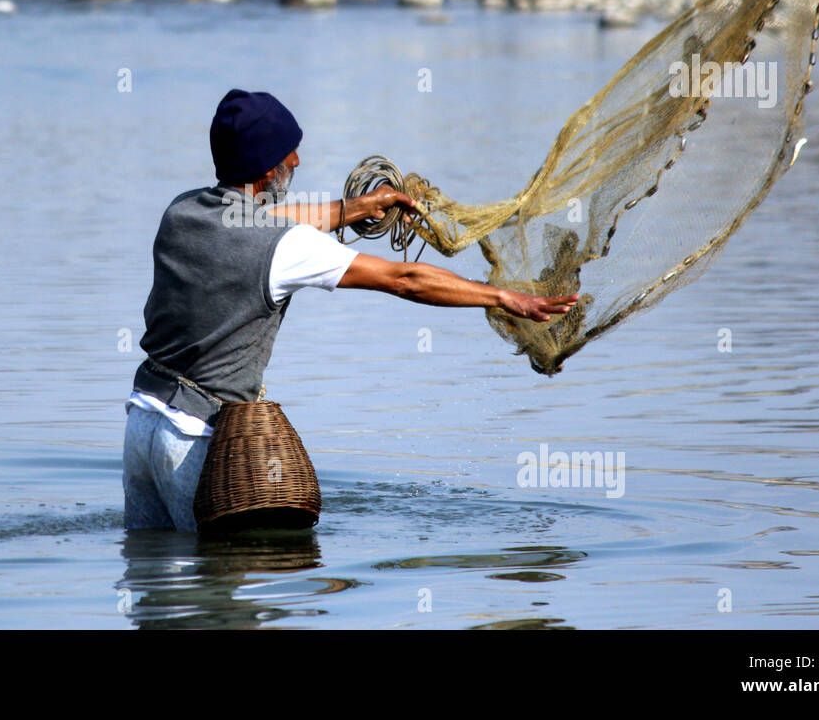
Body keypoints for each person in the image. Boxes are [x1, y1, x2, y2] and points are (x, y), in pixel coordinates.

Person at [123, 89, 578, 530]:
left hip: (142, 422)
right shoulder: (285, 248)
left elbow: (267, 220)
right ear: (267, 171)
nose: (297, 162)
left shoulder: (182, 211)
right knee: (218, 596)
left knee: (153, 581)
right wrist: (504, 297)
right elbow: (404, 279)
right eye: (289, 156)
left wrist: (356, 209)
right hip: (194, 438)